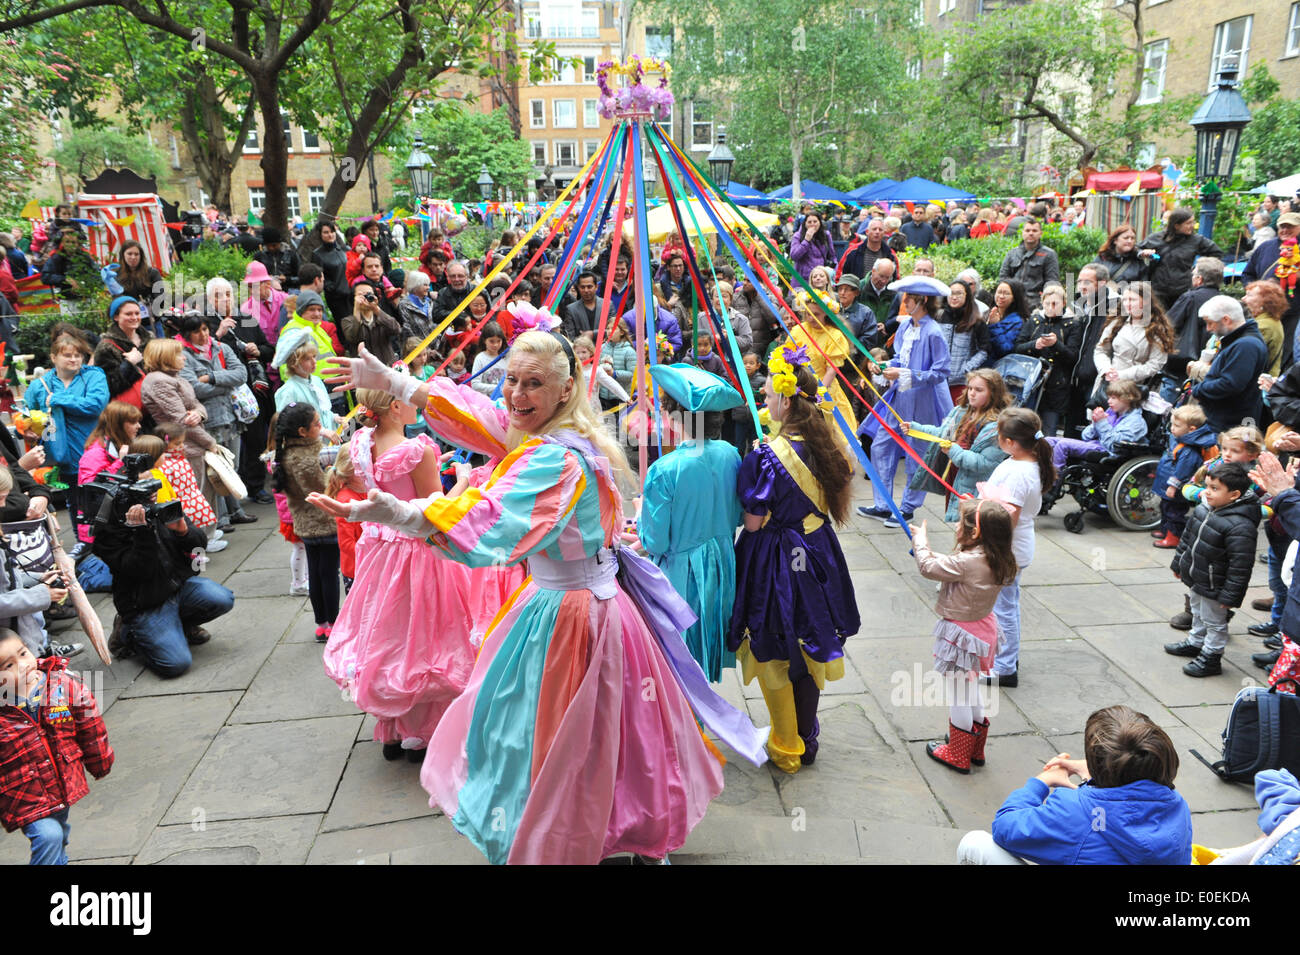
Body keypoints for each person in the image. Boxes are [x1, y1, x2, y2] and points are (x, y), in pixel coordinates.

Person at [312, 332, 765, 865]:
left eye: (534, 383)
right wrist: (399, 383)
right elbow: (483, 418)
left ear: (565, 388)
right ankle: (624, 832)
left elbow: (487, 521)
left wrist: (398, 513)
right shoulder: (563, 434)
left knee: (561, 737)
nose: (516, 394)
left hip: (575, 615)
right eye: (512, 378)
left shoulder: (553, 457)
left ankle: (579, 834)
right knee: (608, 731)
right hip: (582, 605)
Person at [324, 390, 478, 760]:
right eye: (410, 397)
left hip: (379, 551)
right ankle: (423, 732)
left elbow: (385, 488)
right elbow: (434, 511)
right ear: (395, 407)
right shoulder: (418, 450)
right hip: (418, 553)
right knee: (429, 636)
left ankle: (394, 729)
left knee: (389, 633)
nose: (417, 402)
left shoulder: (361, 442)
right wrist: (465, 480)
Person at [729, 347, 859, 771]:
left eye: (767, 395)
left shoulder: (764, 457)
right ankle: (807, 733)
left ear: (786, 401)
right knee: (810, 642)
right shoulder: (827, 446)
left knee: (775, 646)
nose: (764, 402)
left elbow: (753, 523)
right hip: (818, 551)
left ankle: (786, 745)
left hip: (776, 560)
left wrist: (758, 464)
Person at [957, 705, 1191, 865]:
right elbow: (1121, 809)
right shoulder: (1177, 806)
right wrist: (1095, 777)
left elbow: (1005, 827)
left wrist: (1041, 781)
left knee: (974, 843)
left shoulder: (1074, 812)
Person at [637, 364, 743, 683]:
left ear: (673, 418)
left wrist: (642, 510)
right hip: (723, 566)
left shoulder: (664, 470)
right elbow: (737, 514)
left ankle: (687, 724)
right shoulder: (731, 454)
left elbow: (653, 541)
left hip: (682, 574)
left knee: (678, 656)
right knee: (705, 646)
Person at [94, 460, 235, 675]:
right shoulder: (110, 533)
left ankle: (181, 625)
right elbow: (142, 570)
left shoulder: (161, 508)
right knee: (176, 664)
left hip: (178, 587)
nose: (154, 491)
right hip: (145, 604)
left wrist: (184, 531)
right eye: (146, 487)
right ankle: (127, 634)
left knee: (222, 598)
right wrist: (142, 531)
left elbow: (200, 549)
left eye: (154, 483)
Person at [916, 499, 1017, 774]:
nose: (957, 526)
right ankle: (975, 748)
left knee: (958, 694)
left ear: (975, 533)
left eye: (962, 523)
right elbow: (953, 565)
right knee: (969, 688)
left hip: (962, 634)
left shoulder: (967, 561)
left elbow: (927, 568)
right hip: (982, 628)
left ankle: (957, 754)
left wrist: (920, 541)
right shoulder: (998, 555)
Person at [0, 628, 113, 865]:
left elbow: (89, 725)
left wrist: (99, 761)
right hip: (23, 794)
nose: (22, 665)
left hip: (62, 780)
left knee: (59, 833)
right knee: (48, 836)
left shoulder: (61, 685)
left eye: (23, 653)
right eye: (8, 666)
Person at [859, 279, 953, 527]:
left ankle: (908, 507)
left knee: (916, 453)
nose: (904, 302)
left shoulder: (934, 332)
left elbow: (941, 371)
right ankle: (883, 504)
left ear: (921, 301)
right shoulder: (904, 328)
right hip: (900, 397)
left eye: (908, 298)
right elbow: (900, 358)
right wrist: (884, 366)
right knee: (880, 445)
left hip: (923, 400)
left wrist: (904, 374)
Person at [1164, 463, 1261, 677]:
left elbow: (1241, 565)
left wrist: (1231, 595)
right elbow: (1187, 539)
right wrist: (1178, 563)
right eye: (1206, 486)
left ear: (1234, 495)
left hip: (1216, 584)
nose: (1207, 492)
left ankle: (1211, 657)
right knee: (1197, 611)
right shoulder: (1203, 509)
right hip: (1198, 576)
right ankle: (1196, 642)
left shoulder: (1240, 526)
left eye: (1215, 488)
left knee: (1215, 621)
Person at [982, 408, 1054, 688]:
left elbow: (1007, 517)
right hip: (1012, 546)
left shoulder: (1020, 473)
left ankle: (1005, 666)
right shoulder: (1022, 462)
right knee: (1005, 605)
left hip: (1007, 547)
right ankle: (1005, 657)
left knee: (1004, 608)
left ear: (1010, 441)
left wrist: (988, 541)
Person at [25, 335, 109, 548]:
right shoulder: (39, 385)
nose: (73, 359)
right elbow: (26, 416)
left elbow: (95, 405)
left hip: (94, 452)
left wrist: (58, 399)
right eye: (67, 355)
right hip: (61, 455)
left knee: (102, 502)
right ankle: (85, 547)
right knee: (75, 503)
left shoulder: (92, 376)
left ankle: (107, 545)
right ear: (53, 357)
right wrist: (28, 430)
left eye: (78, 355)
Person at [176, 312, 254, 531]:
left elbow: (241, 374)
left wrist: (212, 377)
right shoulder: (184, 356)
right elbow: (193, 388)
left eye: (204, 329)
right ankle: (221, 518)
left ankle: (236, 510)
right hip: (208, 421)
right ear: (187, 334)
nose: (202, 335)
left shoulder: (221, 347)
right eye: (196, 331)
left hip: (231, 416)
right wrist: (226, 383)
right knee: (216, 471)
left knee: (233, 466)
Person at [906, 369, 1011, 522]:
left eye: (979, 390)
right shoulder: (960, 412)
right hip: (957, 477)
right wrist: (915, 429)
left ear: (993, 394)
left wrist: (953, 450)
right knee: (961, 523)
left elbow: (985, 463)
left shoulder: (996, 427)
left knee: (972, 524)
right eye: (970, 388)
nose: (972, 393)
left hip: (977, 486)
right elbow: (943, 434)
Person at [272, 404, 338, 639]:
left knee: (317, 572)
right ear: (302, 431)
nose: (321, 428)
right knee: (328, 574)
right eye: (317, 425)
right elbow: (324, 488)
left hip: (305, 525)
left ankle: (321, 623)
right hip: (325, 521)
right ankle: (333, 622)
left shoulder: (287, 454)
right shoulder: (307, 458)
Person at [786, 289, 859, 473]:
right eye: (808, 313)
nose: (811, 318)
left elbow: (831, 371)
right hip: (799, 390)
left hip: (824, 392)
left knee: (831, 439)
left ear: (826, 313)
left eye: (816, 314)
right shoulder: (798, 331)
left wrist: (816, 394)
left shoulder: (834, 336)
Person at [1189, 295, 1269, 435]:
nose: (1208, 329)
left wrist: (1198, 390)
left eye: (1210, 323)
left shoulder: (1246, 345)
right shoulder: (1241, 341)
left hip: (1230, 426)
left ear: (1226, 319)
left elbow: (1230, 384)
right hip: (1228, 422)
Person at [1012, 282, 1082, 437]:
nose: (1051, 307)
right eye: (1047, 303)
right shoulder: (1035, 320)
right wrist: (1034, 345)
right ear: (1042, 302)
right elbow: (1017, 347)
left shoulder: (1073, 324)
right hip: (1030, 384)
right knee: (1024, 428)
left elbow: (1073, 357)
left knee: (1048, 432)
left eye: (1055, 303)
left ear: (1063, 303)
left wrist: (1056, 344)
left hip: (1057, 386)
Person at [1090, 282, 1173, 403]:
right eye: (1125, 300)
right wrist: (1106, 369)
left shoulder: (1157, 329)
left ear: (1145, 301)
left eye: (1132, 300)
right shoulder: (1117, 322)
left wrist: (1123, 375)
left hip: (1133, 386)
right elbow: (1101, 349)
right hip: (1107, 382)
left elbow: (1155, 364)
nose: (1127, 304)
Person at [1150, 403, 1216, 550]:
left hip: (1177, 488)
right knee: (1165, 507)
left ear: (1191, 429)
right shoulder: (1181, 440)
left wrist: (1173, 486)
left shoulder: (1189, 449)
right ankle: (1165, 530)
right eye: (1172, 424)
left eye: (1176, 425)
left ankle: (1174, 536)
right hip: (1167, 483)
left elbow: (1183, 471)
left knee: (1174, 512)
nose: (1172, 428)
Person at [76, 401, 143, 543]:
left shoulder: (121, 446)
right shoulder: (95, 454)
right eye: (133, 422)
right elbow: (92, 494)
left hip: (117, 524)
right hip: (100, 533)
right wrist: (121, 462)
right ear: (117, 425)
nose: (139, 426)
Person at [1046, 380, 1147, 474]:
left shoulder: (1136, 422)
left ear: (1127, 399)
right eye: (1109, 397)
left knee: (1063, 445)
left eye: (1113, 398)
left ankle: (1053, 483)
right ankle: (1041, 476)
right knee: (1047, 441)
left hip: (1109, 451)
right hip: (1095, 444)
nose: (1109, 401)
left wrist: (1102, 422)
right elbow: (1085, 436)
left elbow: (1114, 446)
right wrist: (1095, 422)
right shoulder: (1111, 413)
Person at [1139, 208, 1224, 309]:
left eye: (1193, 222)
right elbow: (1137, 248)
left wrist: (1199, 268)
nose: (1192, 226)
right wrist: (1143, 253)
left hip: (1183, 291)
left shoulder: (1196, 240)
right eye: (1188, 223)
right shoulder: (1157, 238)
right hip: (1158, 291)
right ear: (1176, 225)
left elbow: (1216, 252)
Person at [1165, 257, 1224, 379]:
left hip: (1181, 362)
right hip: (1208, 363)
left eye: (1194, 274)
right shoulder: (1224, 301)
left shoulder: (1190, 298)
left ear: (1199, 279)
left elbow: (1168, 324)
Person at [92, 296, 153, 411]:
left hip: (155, 403)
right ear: (116, 317)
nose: (134, 317)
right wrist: (129, 364)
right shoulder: (106, 346)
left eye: (137, 313)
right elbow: (109, 386)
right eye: (128, 314)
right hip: (129, 411)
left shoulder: (150, 338)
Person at [936, 279, 990, 405]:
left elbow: (985, 350)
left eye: (959, 294)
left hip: (961, 382)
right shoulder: (938, 316)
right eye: (951, 293)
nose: (954, 297)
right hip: (938, 380)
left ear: (967, 296)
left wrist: (967, 368)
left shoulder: (975, 320)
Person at [271, 328, 336, 431]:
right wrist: (322, 432)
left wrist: (335, 418)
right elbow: (289, 424)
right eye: (307, 359)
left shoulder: (316, 381)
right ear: (294, 363)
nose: (314, 362)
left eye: (314, 356)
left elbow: (323, 412)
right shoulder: (288, 391)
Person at [997, 220, 1058, 308]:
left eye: (1034, 231)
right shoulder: (1012, 253)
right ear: (1022, 233)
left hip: (1036, 301)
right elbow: (1003, 277)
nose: (1031, 233)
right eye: (1027, 230)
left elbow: (1052, 282)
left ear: (1041, 233)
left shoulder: (1049, 254)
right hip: (1013, 299)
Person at [342, 281, 401, 365]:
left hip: (388, 367)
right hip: (366, 371)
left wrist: (376, 308)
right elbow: (353, 337)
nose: (366, 298)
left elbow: (396, 329)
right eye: (361, 295)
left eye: (369, 294)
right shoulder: (347, 321)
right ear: (353, 298)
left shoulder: (380, 316)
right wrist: (357, 309)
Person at [1243, 280, 1287, 377]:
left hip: (1260, 382)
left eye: (1249, 295)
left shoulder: (1264, 325)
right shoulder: (1268, 321)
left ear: (1265, 301)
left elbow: (1245, 355)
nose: (1243, 299)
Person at [311, 222, 352, 324]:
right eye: (326, 232)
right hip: (336, 298)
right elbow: (318, 276)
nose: (330, 235)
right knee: (344, 326)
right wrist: (332, 288)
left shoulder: (345, 249)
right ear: (320, 234)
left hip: (352, 295)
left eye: (332, 231)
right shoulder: (318, 254)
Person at [839, 218, 898, 284]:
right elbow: (840, 274)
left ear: (884, 233)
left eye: (880, 230)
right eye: (874, 229)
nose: (877, 232)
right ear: (867, 232)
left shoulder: (890, 254)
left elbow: (896, 278)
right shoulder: (853, 251)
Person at [789, 211, 835, 279]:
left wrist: (834, 270)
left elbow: (832, 256)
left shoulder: (826, 235)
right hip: (803, 279)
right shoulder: (798, 236)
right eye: (809, 222)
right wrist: (806, 241)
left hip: (820, 278)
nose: (812, 224)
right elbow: (794, 256)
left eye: (815, 221)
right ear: (805, 224)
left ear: (820, 222)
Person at [253, 226, 300, 293]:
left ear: (279, 243)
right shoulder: (259, 256)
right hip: (267, 292)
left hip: (288, 291)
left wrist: (287, 279)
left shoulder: (291, 255)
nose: (271, 248)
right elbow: (255, 277)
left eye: (274, 245)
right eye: (268, 246)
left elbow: (300, 278)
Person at [398, 269, 435, 343]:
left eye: (428, 285)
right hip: (416, 348)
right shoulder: (404, 304)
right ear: (415, 285)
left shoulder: (430, 302)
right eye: (425, 285)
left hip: (434, 347)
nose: (428, 288)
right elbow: (407, 329)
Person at [562, 270, 600, 339]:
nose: (586, 290)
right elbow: (570, 335)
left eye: (589, 287)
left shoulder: (607, 305)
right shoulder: (571, 309)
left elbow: (613, 331)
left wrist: (593, 334)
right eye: (582, 287)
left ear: (596, 287)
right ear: (578, 288)